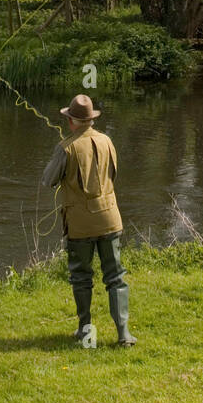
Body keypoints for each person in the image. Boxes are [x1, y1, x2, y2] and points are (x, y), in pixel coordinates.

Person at [41, 93, 137, 347]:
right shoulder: (107, 140)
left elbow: (47, 181)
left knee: (82, 277)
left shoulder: (65, 147)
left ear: (71, 121)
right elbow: (113, 175)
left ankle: (86, 333)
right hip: (110, 218)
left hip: (81, 224)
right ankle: (124, 334)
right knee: (115, 277)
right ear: (90, 120)